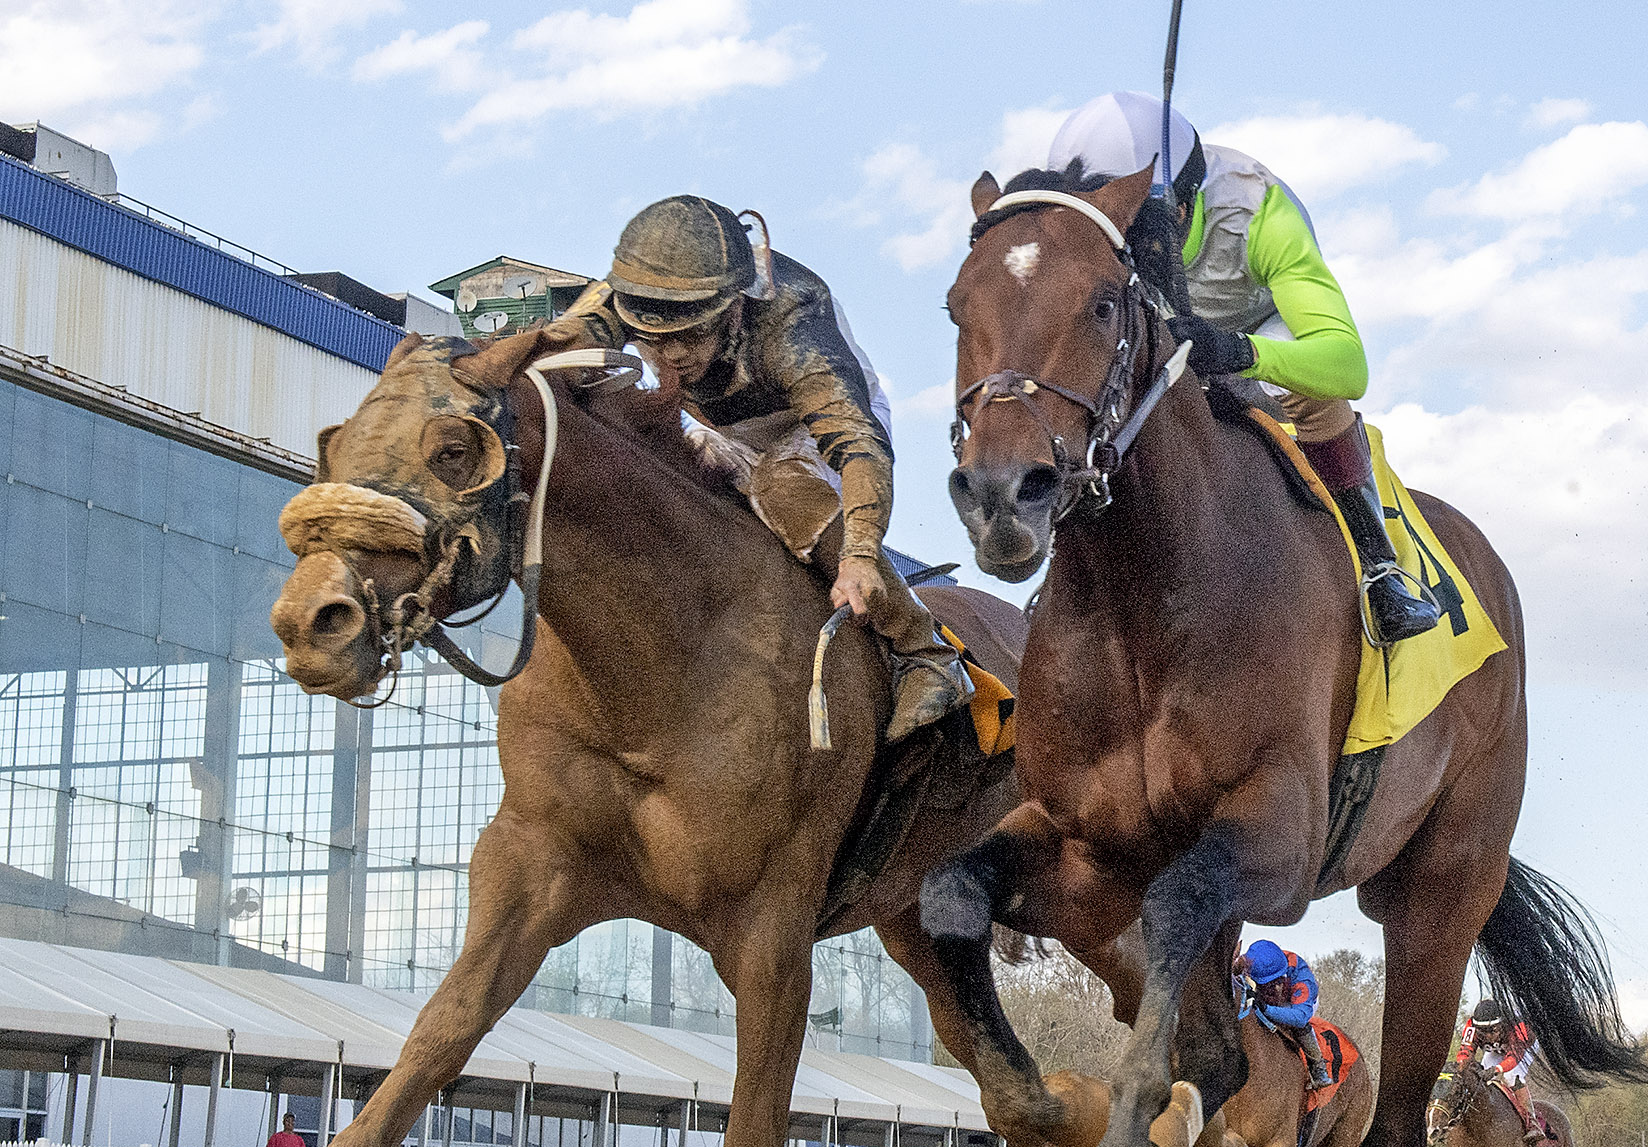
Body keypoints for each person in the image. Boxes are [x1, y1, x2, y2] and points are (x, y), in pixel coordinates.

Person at [548, 195, 971, 742]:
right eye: (654, 339)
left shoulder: (795, 322)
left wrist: (861, 552)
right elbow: (542, 357)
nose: (671, 356)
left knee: (783, 483)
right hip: (720, 426)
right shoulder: (630, 292)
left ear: (736, 306)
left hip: (826, 423)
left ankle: (926, 652)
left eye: (692, 335)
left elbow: (858, 444)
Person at [1046, 92, 1442, 646]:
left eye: (1138, 224)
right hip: (1163, 336)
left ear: (1180, 206)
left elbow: (1347, 364)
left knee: (1307, 391)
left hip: (1260, 332)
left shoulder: (1259, 210)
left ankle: (1379, 569)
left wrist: (1237, 352)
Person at [1232, 939, 1332, 1088]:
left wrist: (1267, 1009)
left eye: (1269, 984)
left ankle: (1318, 1067)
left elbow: (1300, 1017)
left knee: (1299, 1026)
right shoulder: (1250, 961)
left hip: (1298, 1005)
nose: (1265, 988)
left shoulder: (1303, 981)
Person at [1453, 996, 1545, 1145]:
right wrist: (1461, 1068)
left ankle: (1532, 1122)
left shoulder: (1517, 1025)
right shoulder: (1471, 1026)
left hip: (1523, 1048)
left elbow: (1514, 1057)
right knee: (1484, 1077)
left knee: (1510, 1075)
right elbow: (1465, 1051)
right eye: (1483, 1032)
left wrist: (1498, 1068)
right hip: (1497, 1048)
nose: (1488, 1036)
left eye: (1492, 1030)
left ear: (1502, 1023)